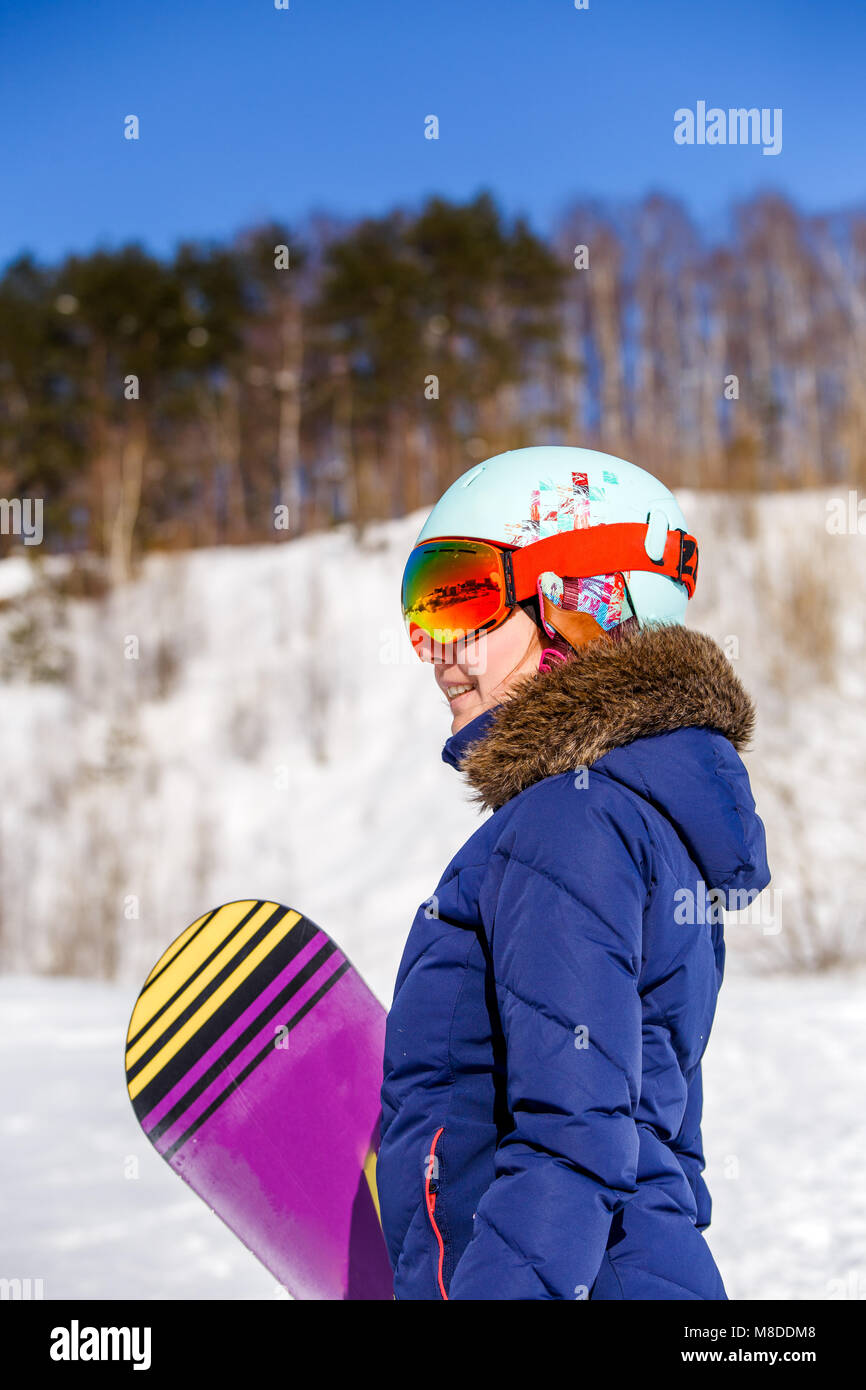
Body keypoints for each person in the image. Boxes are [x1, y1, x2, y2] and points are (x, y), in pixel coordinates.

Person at [377, 445, 770, 1300]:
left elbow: (572, 1143)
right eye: (422, 613)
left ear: (580, 602)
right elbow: (648, 1135)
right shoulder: (640, 815)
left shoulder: (571, 819)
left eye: (461, 596)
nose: (437, 647)